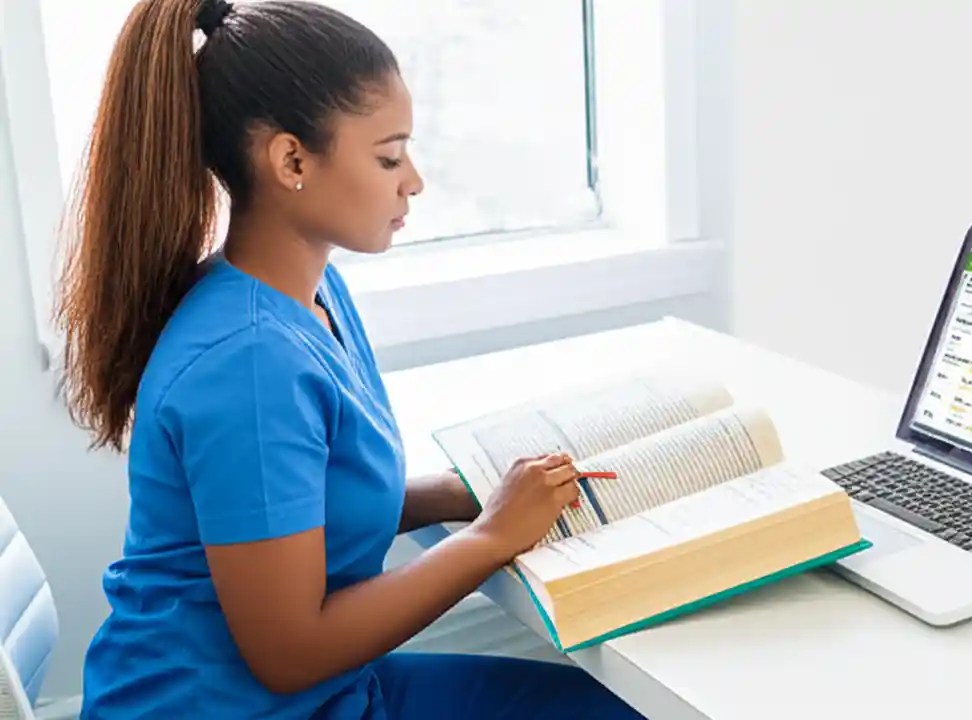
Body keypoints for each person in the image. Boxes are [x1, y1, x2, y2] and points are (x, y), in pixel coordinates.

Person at [55, 0, 645, 717]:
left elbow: (302, 511)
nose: (414, 180)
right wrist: (492, 536)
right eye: (389, 156)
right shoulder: (248, 364)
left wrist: (467, 495)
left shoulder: (311, 293)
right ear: (292, 160)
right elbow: (289, 654)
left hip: (320, 691)